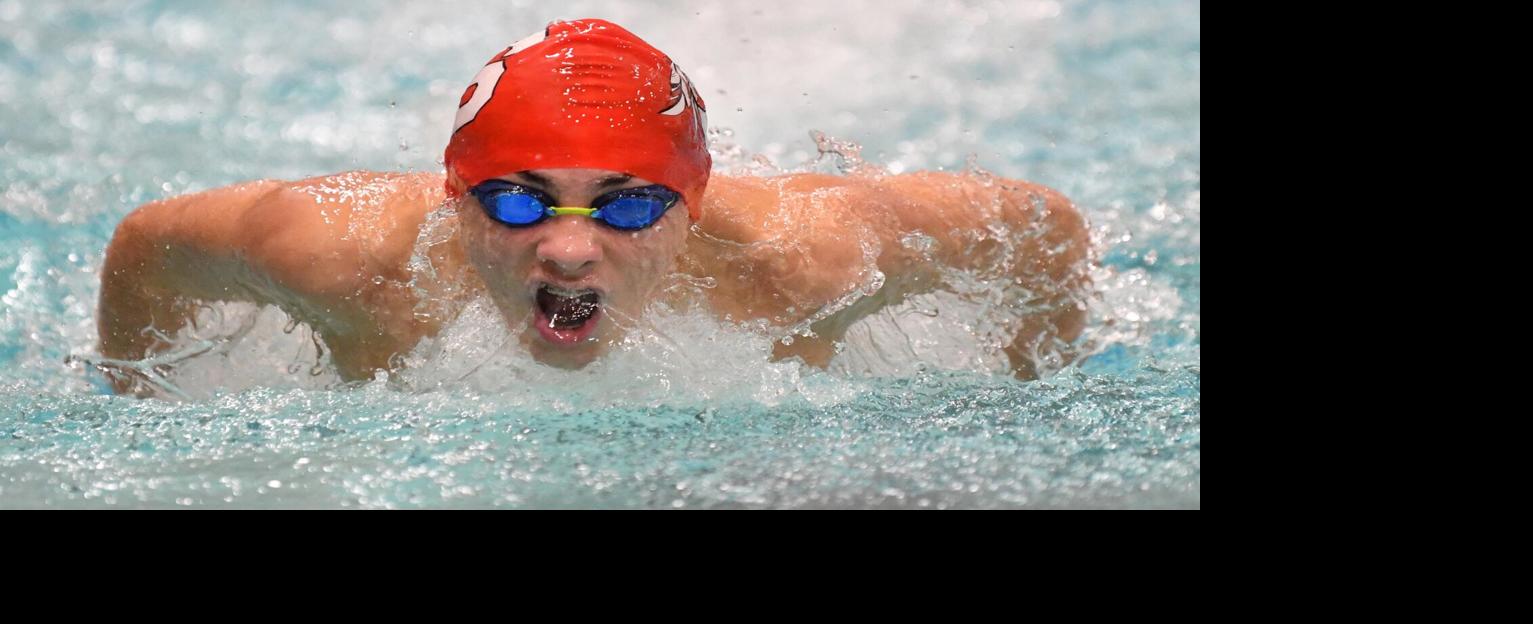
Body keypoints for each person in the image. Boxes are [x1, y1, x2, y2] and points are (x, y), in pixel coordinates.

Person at [96, 19, 1090, 388]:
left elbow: (1040, 231)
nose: (566, 255)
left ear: (692, 209)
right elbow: (145, 246)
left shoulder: (803, 259)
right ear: (453, 201)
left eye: (623, 208)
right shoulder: (335, 254)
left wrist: (1037, 391)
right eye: (518, 203)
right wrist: (140, 418)